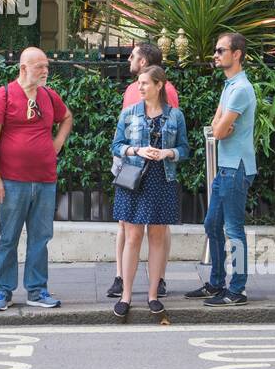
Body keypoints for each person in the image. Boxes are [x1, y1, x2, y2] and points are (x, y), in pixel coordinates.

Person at [0, 47, 73, 311]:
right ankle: (3, 291)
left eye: (46, 66)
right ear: (23, 68)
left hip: (45, 179)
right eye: (39, 67)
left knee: (41, 237)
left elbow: (67, 117)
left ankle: (36, 290)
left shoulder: (48, 95)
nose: (45, 71)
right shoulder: (4, 95)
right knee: (8, 237)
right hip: (12, 181)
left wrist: (56, 144)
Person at [109, 65, 189, 319]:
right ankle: (126, 296)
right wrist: (136, 151)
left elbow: (184, 149)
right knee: (133, 237)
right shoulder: (129, 114)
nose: (139, 87)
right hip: (135, 178)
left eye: (145, 83)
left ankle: (153, 295)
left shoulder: (176, 116)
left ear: (159, 85)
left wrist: (167, 153)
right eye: (138, 83)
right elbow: (116, 145)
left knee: (156, 237)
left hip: (162, 178)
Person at [187, 32, 257, 305]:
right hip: (225, 167)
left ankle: (237, 289)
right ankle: (217, 283)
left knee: (233, 230)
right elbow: (217, 126)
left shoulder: (240, 89)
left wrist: (220, 128)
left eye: (220, 50)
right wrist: (220, 128)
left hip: (235, 168)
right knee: (212, 224)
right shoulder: (230, 85)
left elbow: (216, 129)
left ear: (236, 54)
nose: (215, 55)